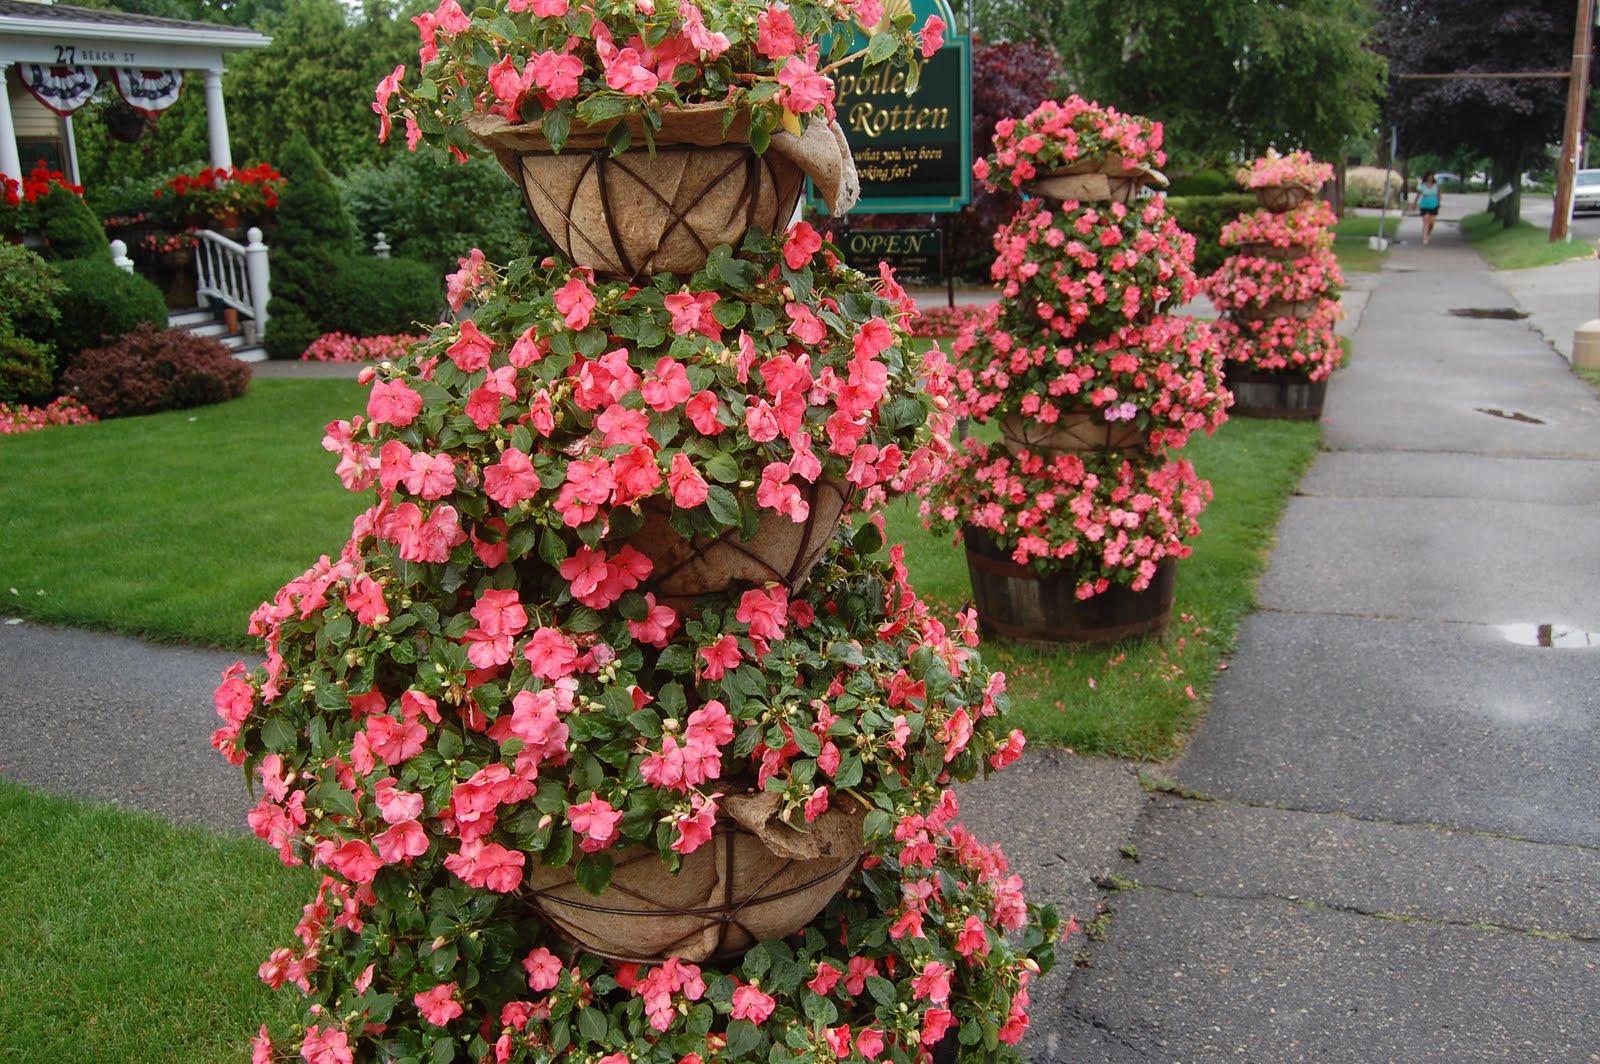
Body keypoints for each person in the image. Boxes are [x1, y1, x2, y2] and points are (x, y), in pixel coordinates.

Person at [1417, 171, 1441, 244]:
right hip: (1424, 204)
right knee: (1426, 220)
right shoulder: (1422, 185)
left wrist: (1439, 203)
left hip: (1433, 204)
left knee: (1431, 222)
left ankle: (1427, 232)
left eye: (1431, 176)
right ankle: (1425, 237)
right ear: (1426, 177)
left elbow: (1439, 194)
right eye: (1429, 176)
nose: (1430, 178)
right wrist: (1415, 203)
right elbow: (1418, 194)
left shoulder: (1436, 185)